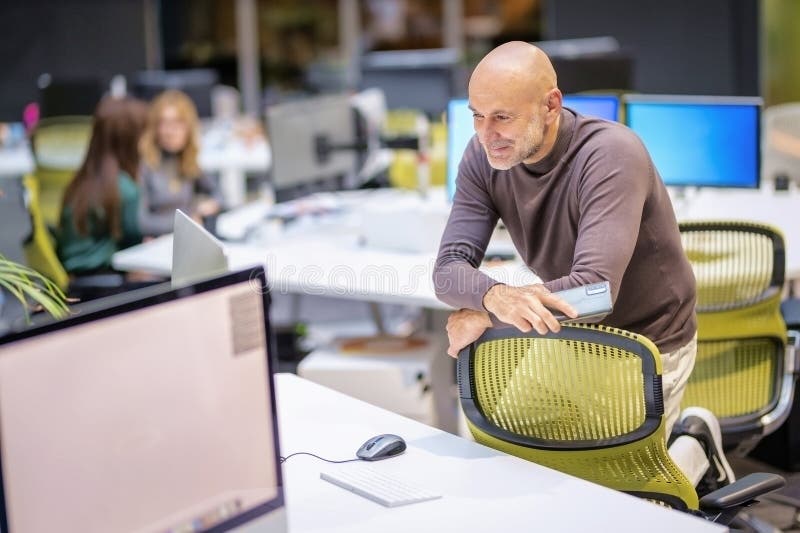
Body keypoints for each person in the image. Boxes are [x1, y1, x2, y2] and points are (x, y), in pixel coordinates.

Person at [433, 41, 697, 437]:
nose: (487, 134)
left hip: (643, 341)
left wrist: (486, 314)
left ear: (551, 105)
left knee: (611, 489)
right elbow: (447, 272)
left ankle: (694, 450)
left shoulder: (610, 154)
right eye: (477, 117)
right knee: (499, 448)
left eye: (502, 117)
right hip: (559, 330)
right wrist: (494, 297)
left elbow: (593, 294)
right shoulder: (482, 157)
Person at [58, 96, 148, 275]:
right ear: (131, 140)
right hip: (102, 281)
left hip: (75, 275)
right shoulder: (125, 189)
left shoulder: (83, 179)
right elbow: (133, 242)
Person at [137, 89, 221, 237]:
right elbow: (141, 222)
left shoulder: (187, 160)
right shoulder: (145, 165)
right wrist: (188, 222)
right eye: (164, 123)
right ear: (155, 128)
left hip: (187, 240)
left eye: (178, 124)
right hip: (158, 245)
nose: (171, 132)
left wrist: (205, 205)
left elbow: (219, 195)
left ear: (189, 128)